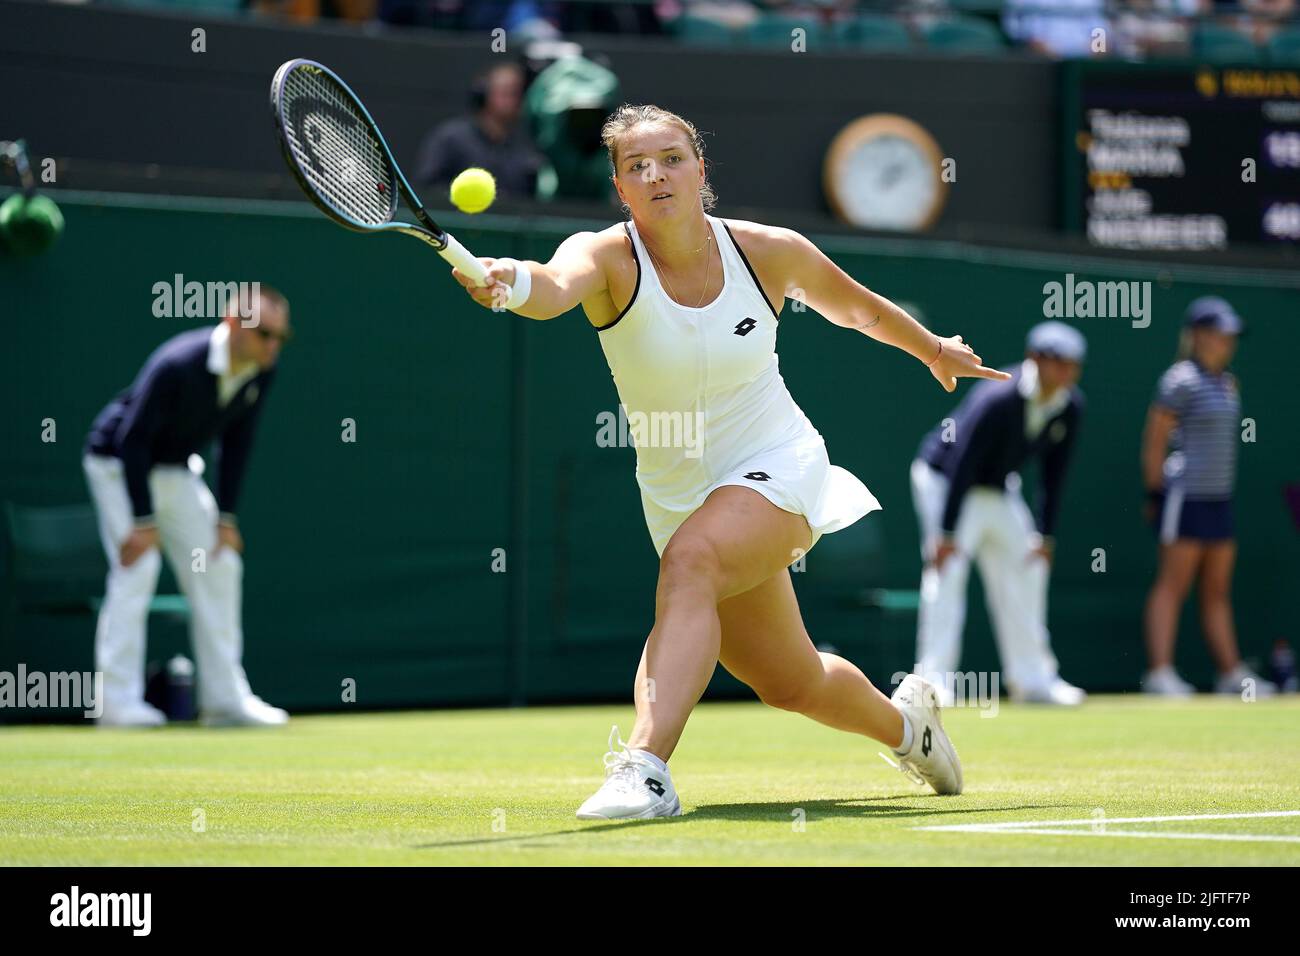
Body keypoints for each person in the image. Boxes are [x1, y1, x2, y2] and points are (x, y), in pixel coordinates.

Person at [449, 104, 1009, 819]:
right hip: (678, 492)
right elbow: (550, 286)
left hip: (778, 459)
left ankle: (645, 771)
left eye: (672, 158)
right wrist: (507, 279)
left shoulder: (767, 250)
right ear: (620, 188)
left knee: (691, 563)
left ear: (700, 169)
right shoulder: (606, 257)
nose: (656, 175)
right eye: (637, 166)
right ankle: (910, 730)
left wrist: (933, 349)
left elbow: (858, 308)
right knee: (792, 682)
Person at [83, 287, 292, 727]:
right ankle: (116, 703)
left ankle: (224, 700)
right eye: (264, 333)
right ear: (233, 324)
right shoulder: (177, 363)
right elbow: (132, 440)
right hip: (119, 464)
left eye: (280, 337)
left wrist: (226, 519)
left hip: (175, 470)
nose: (272, 345)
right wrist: (142, 521)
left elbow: (237, 443)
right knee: (137, 567)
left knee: (221, 564)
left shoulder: (260, 369)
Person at [910, 321, 1088, 707]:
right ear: (1035, 359)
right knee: (947, 572)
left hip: (997, 488)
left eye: (1073, 365)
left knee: (1029, 567)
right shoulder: (997, 398)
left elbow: (1054, 473)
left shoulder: (1071, 406)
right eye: (1059, 363)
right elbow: (962, 461)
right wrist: (945, 534)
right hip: (945, 481)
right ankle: (933, 683)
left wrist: (1045, 535)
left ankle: (1034, 680)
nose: (1067, 373)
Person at [1140, 297, 1275, 697]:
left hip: (1219, 499)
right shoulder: (1179, 379)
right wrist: (1155, 493)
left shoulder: (1227, 382)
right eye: (1219, 334)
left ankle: (1231, 673)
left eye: (1231, 336)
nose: (1227, 342)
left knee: (1217, 589)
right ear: (1197, 336)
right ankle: (1160, 673)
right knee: (1173, 583)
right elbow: (1155, 441)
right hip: (1185, 497)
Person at [414, 62, 544, 201]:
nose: (515, 101)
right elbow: (427, 188)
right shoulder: (450, 139)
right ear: (483, 95)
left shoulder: (524, 152)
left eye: (518, 94)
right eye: (507, 93)